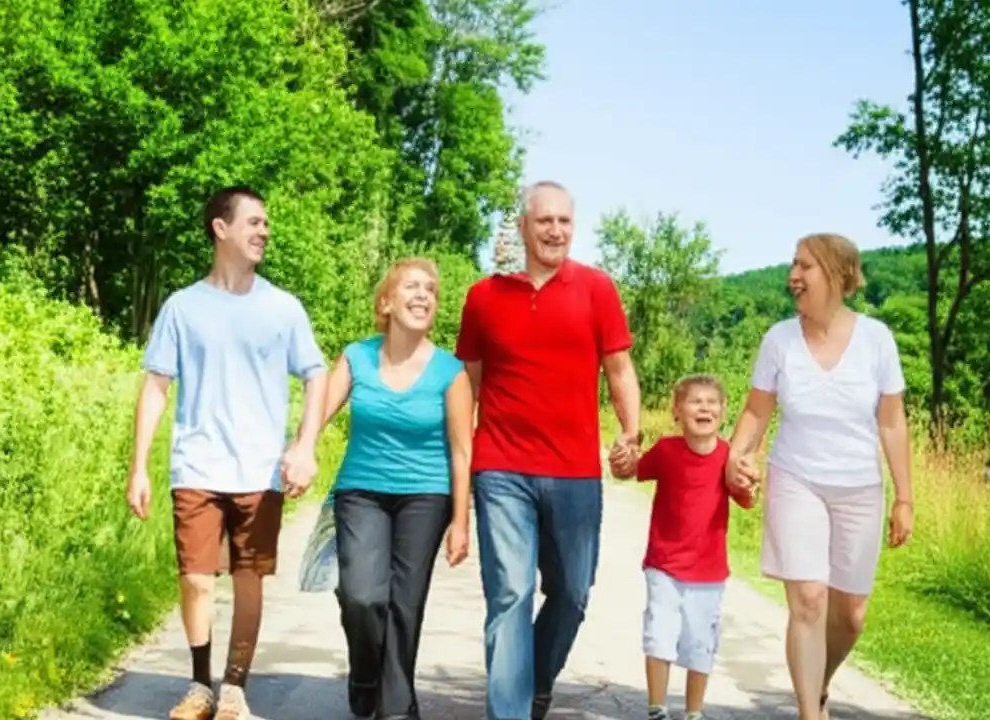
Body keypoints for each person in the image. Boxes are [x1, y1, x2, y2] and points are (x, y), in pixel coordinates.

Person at [125, 185, 329, 720]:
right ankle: (200, 686)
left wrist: (305, 445)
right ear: (221, 228)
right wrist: (139, 467)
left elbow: (317, 373)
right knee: (194, 577)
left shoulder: (282, 307)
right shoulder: (183, 306)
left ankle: (235, 686)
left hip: (260, 470)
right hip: (197, 464)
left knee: (248, 577)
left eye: (266, 224)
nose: (264, 232)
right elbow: (155, 387)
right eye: (254, 222)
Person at [454, 180, 642, 720]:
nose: (555, 231)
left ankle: (536, 681)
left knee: (573, 592)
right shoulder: (484, 297)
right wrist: (461, 460)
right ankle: (509, 712)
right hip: (502, 467)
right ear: (524, 226)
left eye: (564, 222)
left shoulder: (596, 288)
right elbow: (469, 379)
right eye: (544, 222)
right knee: (510, 594)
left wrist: (630, 434)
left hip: (575, 470)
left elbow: (620, 369)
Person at [726, 233, 914, 720]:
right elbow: (756, 410)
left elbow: (892, 423)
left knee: (850, 615)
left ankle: (820, 683)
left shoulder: (877, 340)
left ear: (837, 275)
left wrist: (904, 498)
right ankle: (810, 712)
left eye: (805, 266)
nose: (793, 275)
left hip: (860, 488)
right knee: (808, 600)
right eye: (793, 264)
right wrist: (734, 455)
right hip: (796, 479)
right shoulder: (779, 340)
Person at [316, 257, 474, 720]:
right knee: (362, 597)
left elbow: (463, 450)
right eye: (411, 286)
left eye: (431, 289)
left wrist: (461, 521)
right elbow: (318, 414)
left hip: (427, 494)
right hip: (361, 490)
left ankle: (397, 705)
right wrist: (301, 449)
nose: (423, 294)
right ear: (386, 301)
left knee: (406, 603)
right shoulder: (355, 357)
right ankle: (366, 673)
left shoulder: (451, 371)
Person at [611, 374, 756, 720]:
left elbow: (746, 498)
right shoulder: (666, 450)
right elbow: (630, 471)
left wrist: (751, 483)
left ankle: (694, 712)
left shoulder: (727, 457)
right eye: (695, 401)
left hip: (708, 572)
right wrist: (621, 459)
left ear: (723, 411)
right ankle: (657, 708)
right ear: (677, 410)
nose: (704, 407)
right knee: (659, 633)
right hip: (663, 565)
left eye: (712, 402)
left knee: (699, 643)